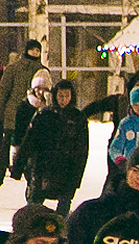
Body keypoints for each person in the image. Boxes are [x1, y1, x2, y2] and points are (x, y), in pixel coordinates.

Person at [11, 77, 89, 214]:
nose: (64, 99)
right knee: (33, 208)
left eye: (67, 96)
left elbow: (82, 151)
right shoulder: (43, 116)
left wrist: (77, 177)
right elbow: (28, 143)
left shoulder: (78, 119)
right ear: (54, 96)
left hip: (67, 171)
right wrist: (18, 166)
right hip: (43, 169)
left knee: (63, 209)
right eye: (60, 96)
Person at [0, 40, 46, 203]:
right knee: (7, 154)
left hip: (28, 119)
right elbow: (3, 93)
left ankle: (26, 185)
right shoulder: (18, 69)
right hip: (17, 119)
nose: (35, 53)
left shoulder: (40, 71)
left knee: (23, 155)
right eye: (33, 50)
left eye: (37, 50)